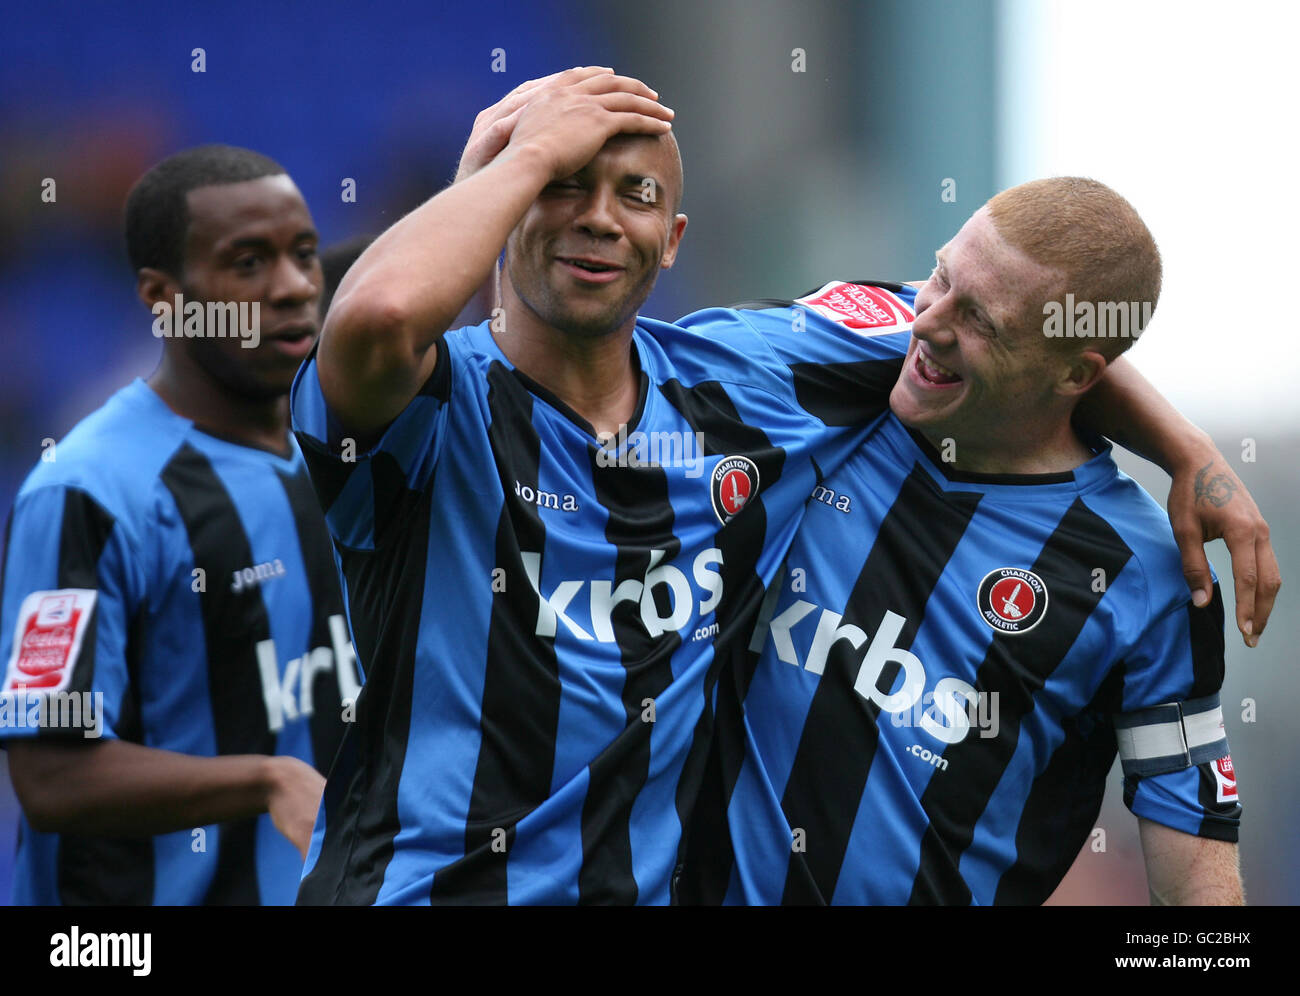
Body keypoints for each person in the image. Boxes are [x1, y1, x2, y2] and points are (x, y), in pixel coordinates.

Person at [291, 69, 1275, 905]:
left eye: (630, 194)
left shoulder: (755, 395)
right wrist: (508, 163)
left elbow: (1035, 338)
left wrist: (1191, 456)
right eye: (559, 186)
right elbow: (373, 319)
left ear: (673, 238)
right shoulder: (429, 415)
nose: (926, 323)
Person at [679, 178, 1261, 905]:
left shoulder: (1144, 576)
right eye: (941, 275)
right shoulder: (835, 365)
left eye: (980, 319)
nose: (926, 323)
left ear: (1077, 373)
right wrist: (1188, 447)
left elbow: (1196, 879)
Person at [0, 144, 360, 905]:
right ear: (165, 299)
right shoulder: (86, 494)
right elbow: (50, 771)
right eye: (248, 263)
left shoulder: (343, 449)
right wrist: (267, 780)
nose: (294, 286)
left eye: (302, 254)